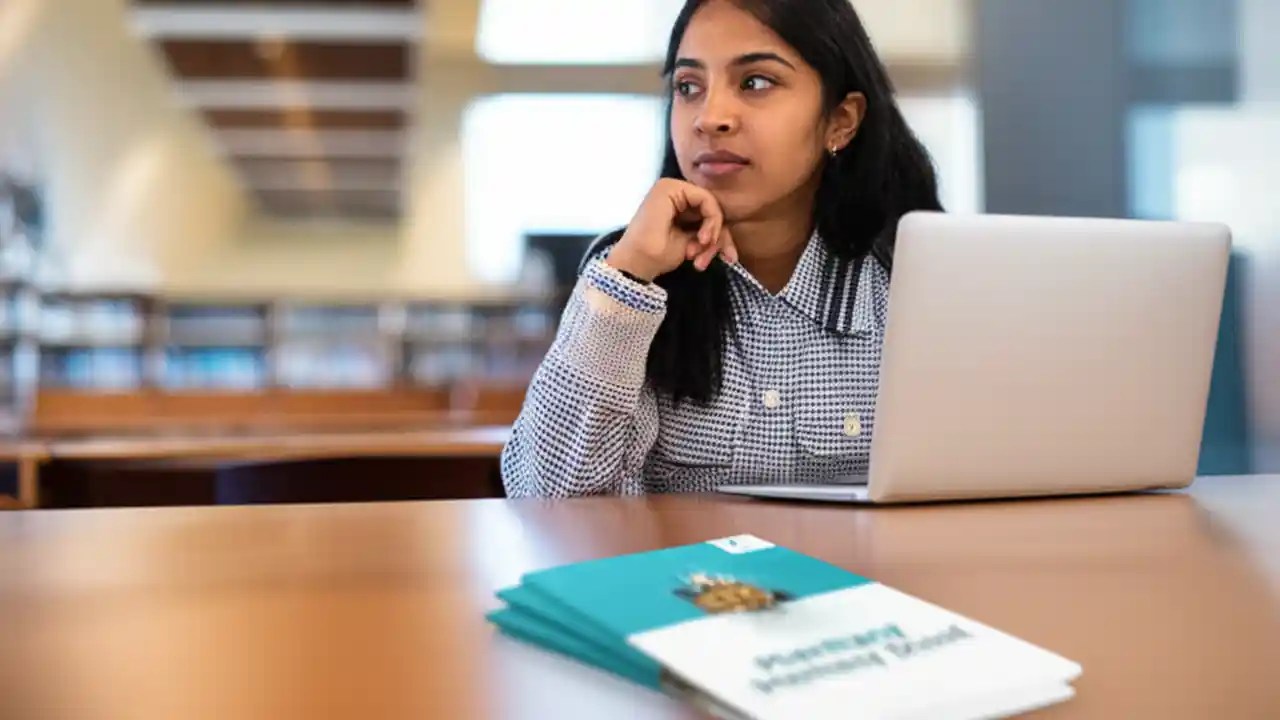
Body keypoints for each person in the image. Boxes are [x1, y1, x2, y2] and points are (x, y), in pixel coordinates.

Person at [502, 0, 942, 498]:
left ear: (840, 121)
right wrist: (629, 276)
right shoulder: (630, 274)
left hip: (868, 575)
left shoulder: (911, 284)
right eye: (689, 87)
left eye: (755, 82)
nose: (709, 118)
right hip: (683, 577)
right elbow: (543, 500)